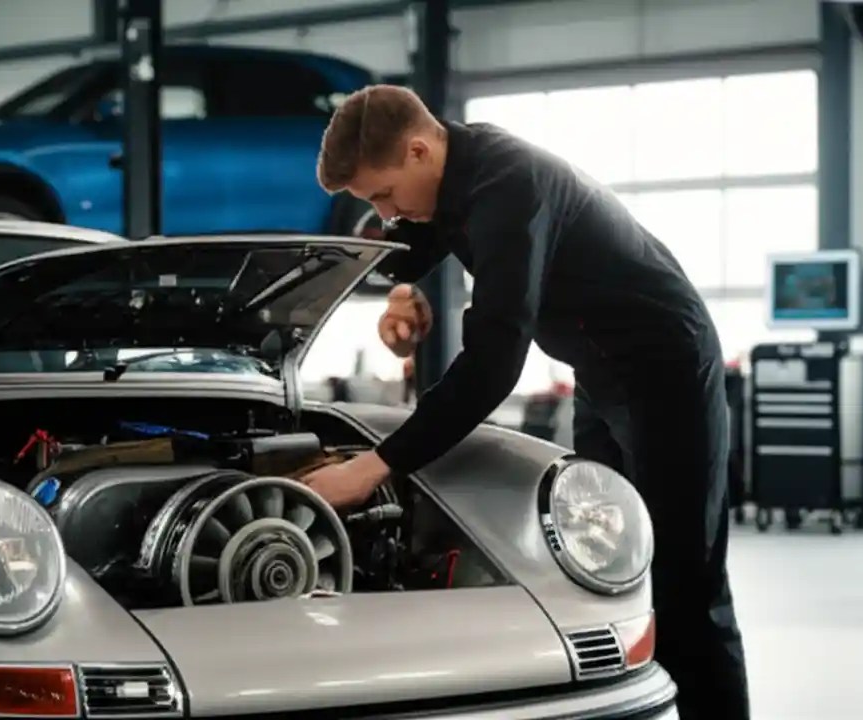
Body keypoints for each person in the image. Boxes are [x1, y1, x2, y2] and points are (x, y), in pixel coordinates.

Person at [298, 84, 750, 720]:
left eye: (383, 194)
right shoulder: (447, 178)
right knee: (608, 570)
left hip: (668, 370)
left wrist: (375, 465)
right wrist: (401, 294)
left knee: (687, 586)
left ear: (419, 151)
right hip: (600, 375)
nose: (385, 209)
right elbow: (401, 253)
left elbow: (493, 365)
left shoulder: (509, 185)